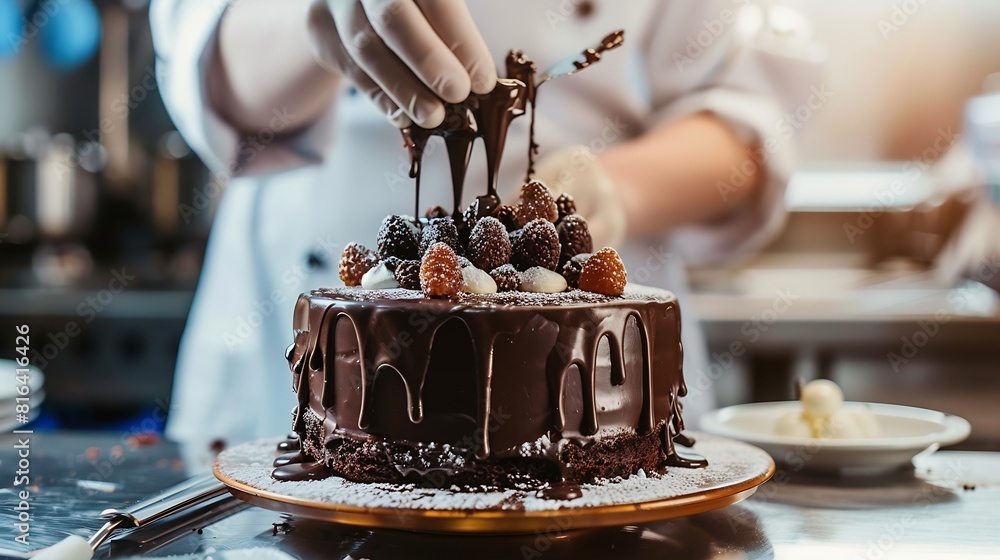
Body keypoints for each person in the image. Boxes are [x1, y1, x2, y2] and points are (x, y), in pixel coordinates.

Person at [151, 0, 820, 459]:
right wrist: (312, 16)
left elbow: (752, 112)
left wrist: (617, 190)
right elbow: (201, 57)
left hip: (594, 342)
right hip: (291, 308)